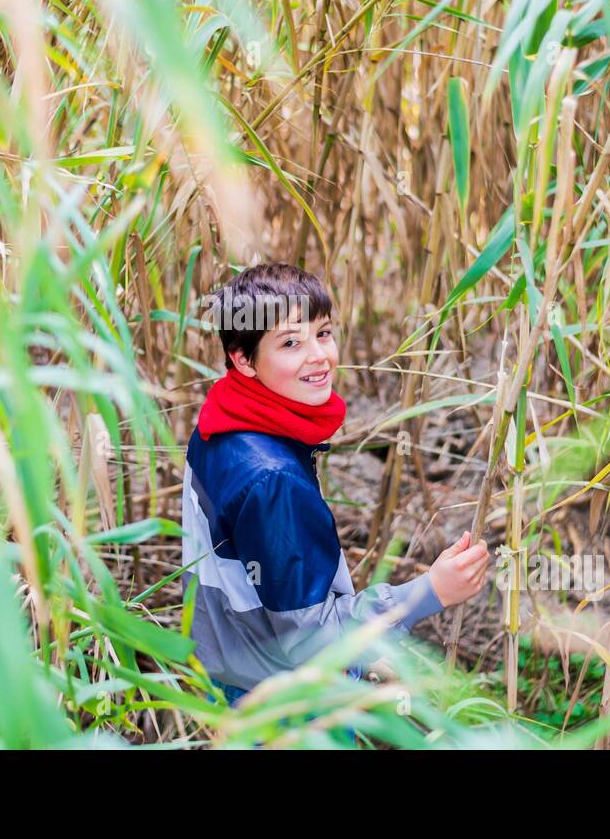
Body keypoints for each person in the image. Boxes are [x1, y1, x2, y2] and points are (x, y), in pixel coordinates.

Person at [181, 262, 491, 711]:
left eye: (322, 333)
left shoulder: (221, 421)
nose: (319, 356)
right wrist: (430, 592)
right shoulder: (272, 480)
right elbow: (308, 640)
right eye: (290, 342)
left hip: (235, 666)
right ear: (243, 358)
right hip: (286, 701)